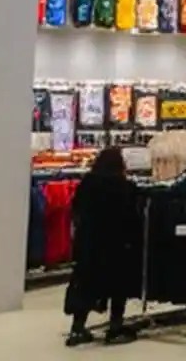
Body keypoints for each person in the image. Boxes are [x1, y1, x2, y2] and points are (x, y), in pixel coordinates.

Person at [64, 147, 141, 346]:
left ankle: (78, 328)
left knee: (86, 285)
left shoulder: (87, 183)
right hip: (116, 245)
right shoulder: (126, 187)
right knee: (117, 286)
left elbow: (76, 209)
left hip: (89, 243)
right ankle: (115, 327)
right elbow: (132, 218)